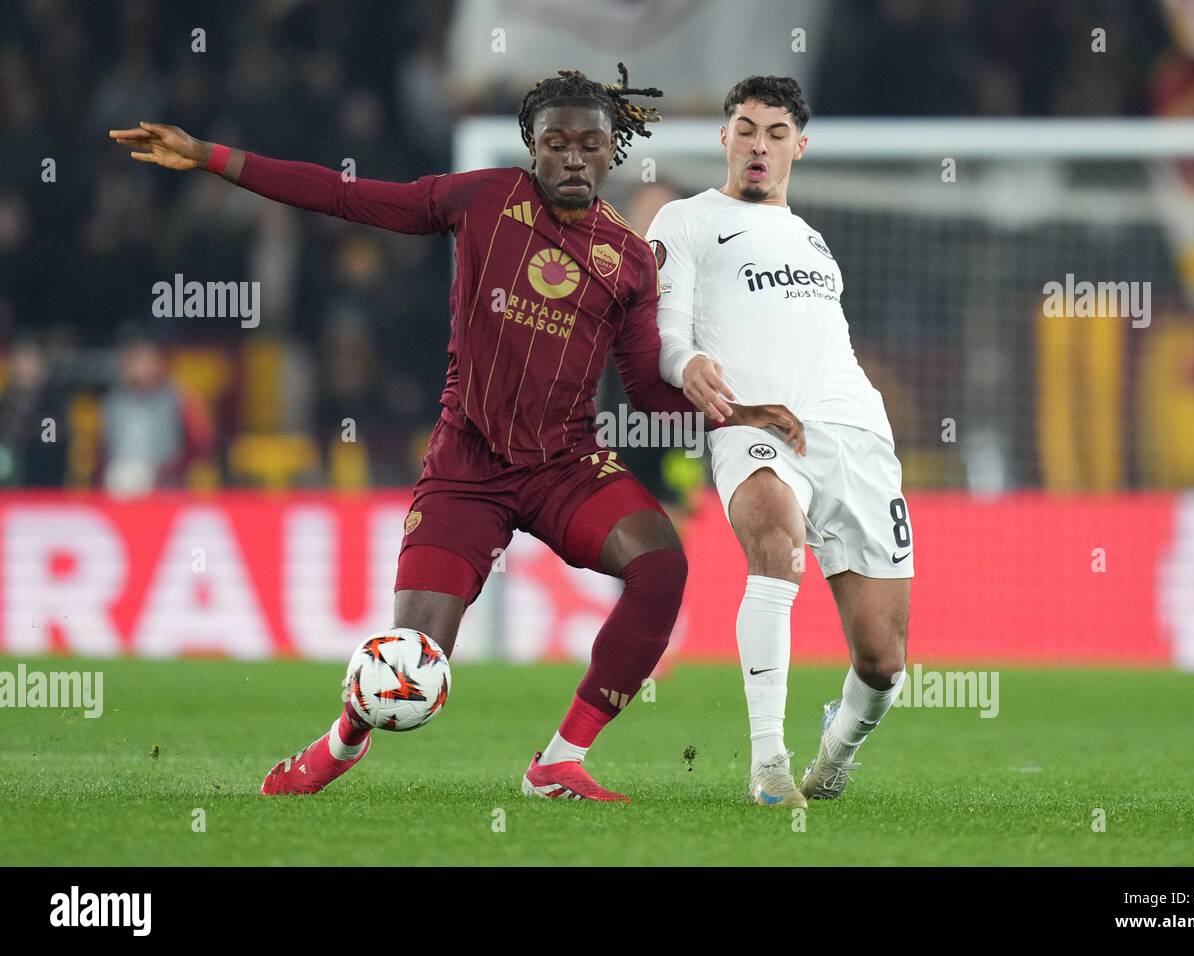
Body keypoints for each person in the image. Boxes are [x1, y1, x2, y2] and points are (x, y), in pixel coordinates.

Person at [110, 64, 802, 802]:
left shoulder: (628, 259)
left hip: (565, 465)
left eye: (589, 144)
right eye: (555, 142)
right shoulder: (482, 200)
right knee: (414, 662)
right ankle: (341, 743)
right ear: (531, 148)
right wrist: (209, 156)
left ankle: (559, 760)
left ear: (611, 153)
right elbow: (346, 196)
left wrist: (743, 411)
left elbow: (647, 394)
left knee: (662, 565)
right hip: (466, 467)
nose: (573, 156)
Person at [646, 75, 912, 807]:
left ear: (800, 144)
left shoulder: (813, 241)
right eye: (744, 127)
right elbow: (664, 334)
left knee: (884, 661)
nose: (757, 145)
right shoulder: (685, 221)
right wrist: (688, 363)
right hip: (756, 423)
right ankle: (769, 764)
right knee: (774, 547)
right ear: (724, 137)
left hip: (855, 432)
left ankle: (837, 750)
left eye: (773, 132)